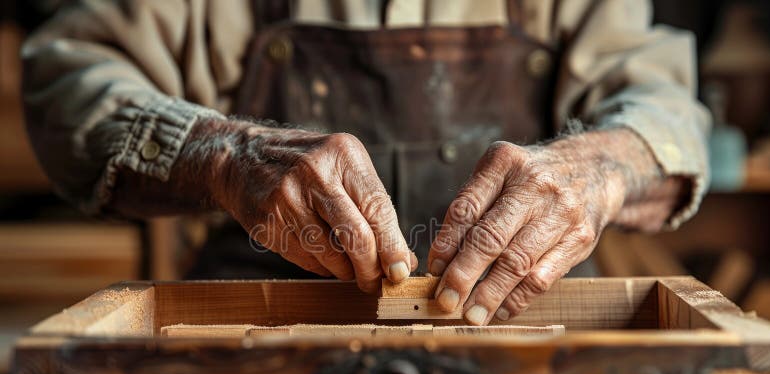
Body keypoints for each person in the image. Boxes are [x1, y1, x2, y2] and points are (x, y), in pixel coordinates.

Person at [22, 0, 709, 325]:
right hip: (265, 350)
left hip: (533, 338)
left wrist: (602, 165)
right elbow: (65, 79)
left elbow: (665, 106)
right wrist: (222, 154)